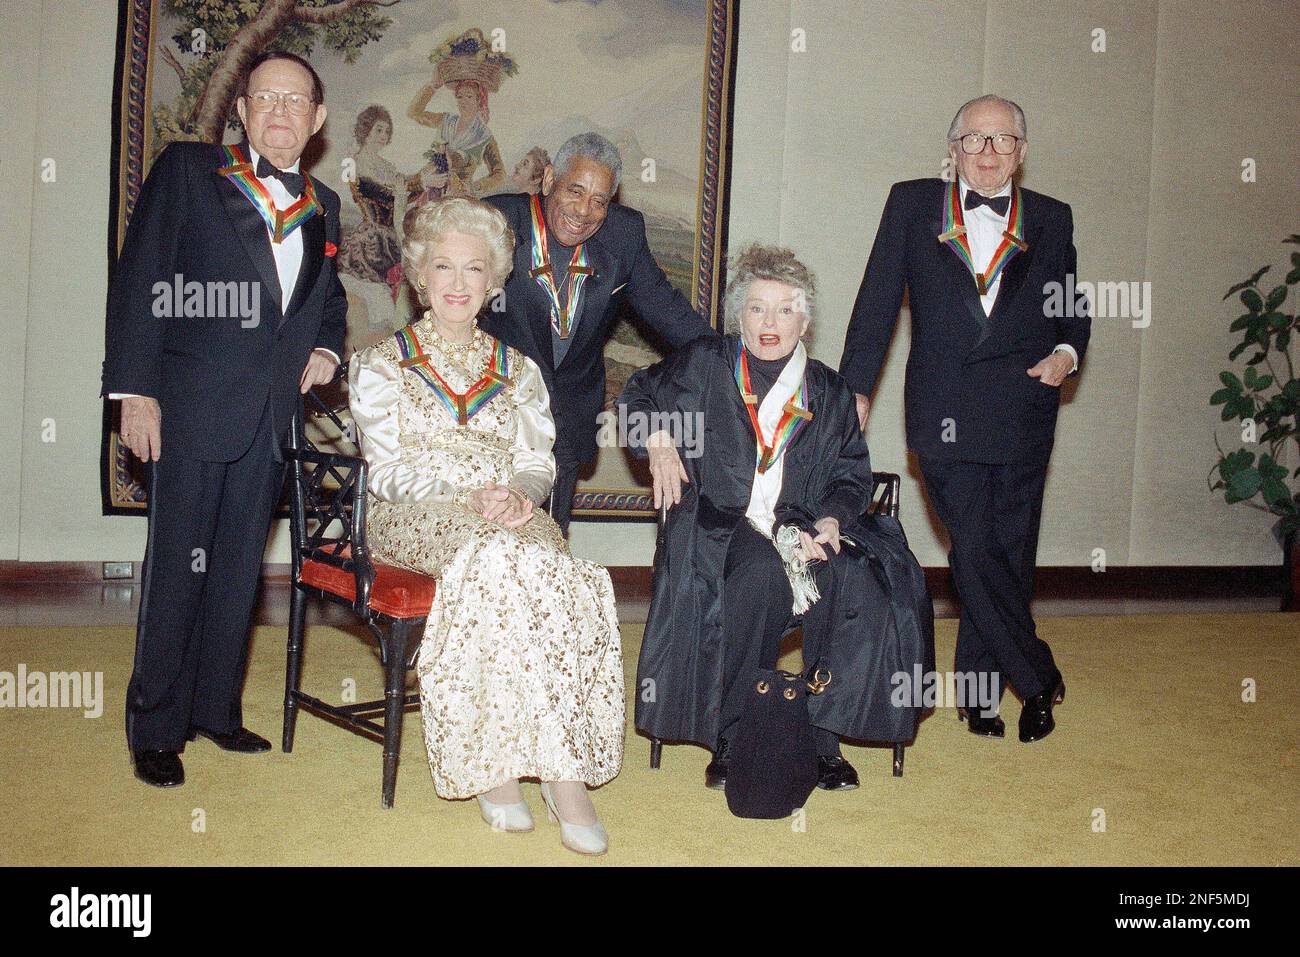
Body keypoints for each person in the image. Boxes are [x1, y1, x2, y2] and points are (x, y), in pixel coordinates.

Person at [348, 197, 624, 855]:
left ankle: (563, 773)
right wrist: (471, 494)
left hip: (507, 513)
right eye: (442, 266)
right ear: (419, 275)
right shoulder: (381, 364)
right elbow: (386, 472)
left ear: (493, 282)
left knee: (559, 569)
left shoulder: (518, 369)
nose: (457, 282)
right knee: (500, 561)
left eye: (473, 269)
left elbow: (537, 463)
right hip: (417, 515)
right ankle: (496, 768)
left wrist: (521, 496)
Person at [102, 51, 346, 787]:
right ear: (241, 109)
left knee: (239, 571)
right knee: (179, 569)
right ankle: (156, 726)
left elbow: (324, 302)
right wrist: (134, 393)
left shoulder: (323, 204)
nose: (279, 112)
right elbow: (141, 280)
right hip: (189, 408)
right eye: (264, 97)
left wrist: (330, 349)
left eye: (294, 100)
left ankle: (215, 708)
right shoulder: (187, 172)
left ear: (318, 119)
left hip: (271, 420)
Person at [839, 94, 1091, 743]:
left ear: (1022, 153)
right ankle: (1037, 675)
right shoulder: (912, 203)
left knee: (1009, 550)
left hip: (1023, 405)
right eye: (975, 140)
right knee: (975, 543)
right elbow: (875, 301)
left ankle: (981, 691)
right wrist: (855, 390)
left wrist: (1066, 353)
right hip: (943, 409)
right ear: (952, 148)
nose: (988, 153)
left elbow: (1071, 305)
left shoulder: (1053, 218)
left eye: (1003, 141)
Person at [618, 244, 877, 793]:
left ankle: (821, 737)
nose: (770, 322)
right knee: (760, 576)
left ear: (805, 321)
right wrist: (658, 437)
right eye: (757, 308)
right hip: (721, 521)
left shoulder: (827, 391)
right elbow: (637, 394)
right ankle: (734, 733)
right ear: (739, 315)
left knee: (843, 576)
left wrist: (832, 520)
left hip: (800, 522)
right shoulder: (707, 363)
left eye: (786, 309)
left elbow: (852, 475)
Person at [482, 132, 715, 532]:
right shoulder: (496, 222)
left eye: (599, 201)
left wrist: (740, 365)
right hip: (492, 416)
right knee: (488, 541)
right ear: (550, 177)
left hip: (566, 423)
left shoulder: (622, 236)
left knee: (549, 543)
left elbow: (669, 313)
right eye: (575, 191)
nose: (583, 211)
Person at [408, 77, 506, 199]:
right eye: (459, 96)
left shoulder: (483, 136)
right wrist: (432, 86)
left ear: (479, 100)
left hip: (457, 196)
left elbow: (499, 173)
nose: (463, 101)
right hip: (427, 185)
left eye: (469, 96)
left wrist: (476, 187)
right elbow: (413, 112)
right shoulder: (446, 121)